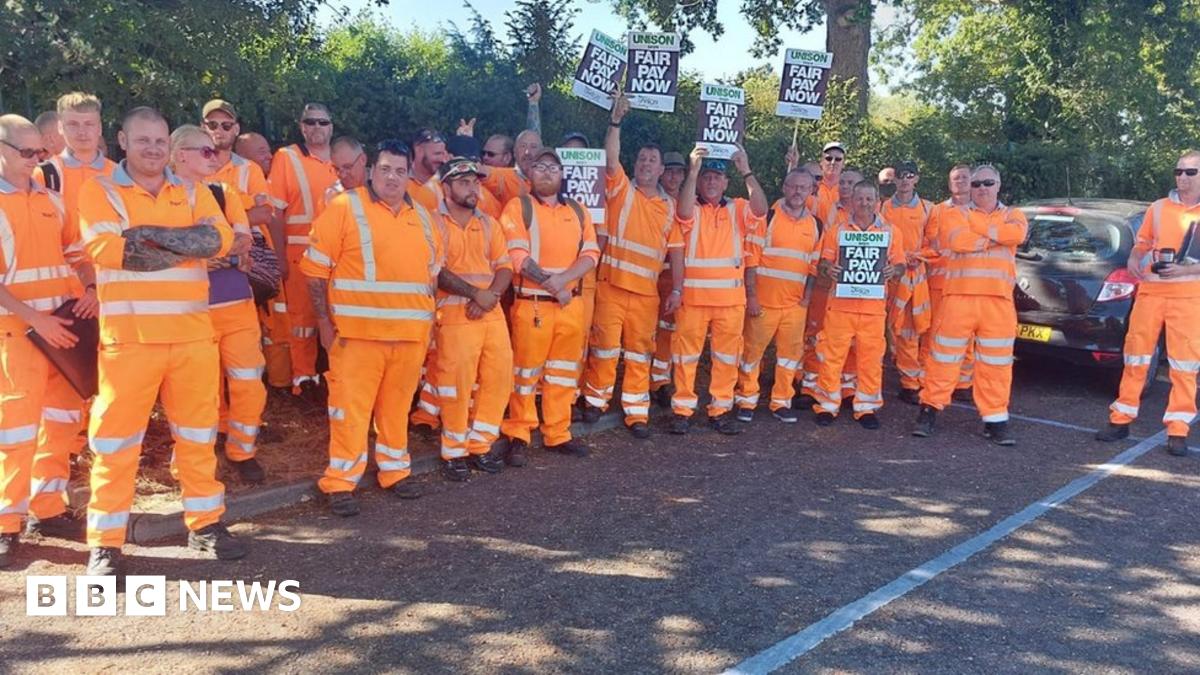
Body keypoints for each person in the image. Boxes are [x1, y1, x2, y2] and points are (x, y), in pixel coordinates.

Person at [80, 107, 250, 576]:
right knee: (115, 445)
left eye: (159, 140)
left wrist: (149, 240)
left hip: (193, 338)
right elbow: (111, 251)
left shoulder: (194, 188)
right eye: (143, 140)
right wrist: (183, 241)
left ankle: (206, 525)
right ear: (122, 140)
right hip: (130, 343)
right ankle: (106, 544)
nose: (153, 149)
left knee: (197, 437)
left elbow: (219, 241)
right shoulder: (100, 190)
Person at [302, 140, 444, 516]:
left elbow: (430, 278)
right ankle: (341, 482)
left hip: (408, 338)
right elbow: (315, 272)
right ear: (371, 171)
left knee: (396, 410)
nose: (392, 178)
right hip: (357, 336)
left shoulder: (425, 219)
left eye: (400, 171)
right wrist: (324, 326)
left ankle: (395, 471)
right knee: (349, 412)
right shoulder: (345, 207)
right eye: (385, 169)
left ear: (408, 175)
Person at [0, 115, 97, 565]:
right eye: (27, 153)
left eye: (40, 152)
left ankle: (48, 508)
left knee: (62, 422)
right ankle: (6, 523)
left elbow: (78, 254)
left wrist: (91, 290)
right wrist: (35, 319)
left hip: (61, 329)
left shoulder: (51, 200)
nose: (37, 161)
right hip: (18, 333)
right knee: (16, 431)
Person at [170, 125, 266, 484]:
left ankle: (243, 451)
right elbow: (162, 247)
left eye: (215, 151)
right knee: (196, 392)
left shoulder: (224, 191)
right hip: (190, 311)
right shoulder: (163, 195)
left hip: (236, 304)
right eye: (206, 152)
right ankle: (191, 460)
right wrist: (204, 253)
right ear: (180, 154)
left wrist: (201, 252)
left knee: (248, 383)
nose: (215, 157)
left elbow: (243, 241)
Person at [579, 92, 675, 438]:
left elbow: (675, 250)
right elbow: (610, 157)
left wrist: (676, 288)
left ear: (662, 169)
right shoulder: (621, 189)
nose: (647, 164)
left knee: (639, 353)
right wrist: (616, 121)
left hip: (646, 295)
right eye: (643, 159)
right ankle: (595, 401)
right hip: (612, 285)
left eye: (653, 160)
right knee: (604, 347)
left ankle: (637, 412)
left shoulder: (669, 208)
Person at [498, 147, 600, 463]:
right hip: (534, 307)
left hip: (570, 307)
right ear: (530, 174)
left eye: (553, 167)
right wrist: (551, 284)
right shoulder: (519, 207)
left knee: (563, 374)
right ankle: (519, 433)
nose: (546, 172)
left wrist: (563, 281)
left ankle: (558, 433)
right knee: (525, 374)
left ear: (562, 174)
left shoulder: (579, 211)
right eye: (540, 166)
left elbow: (591, 255)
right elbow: (516, 256)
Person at [913, 165, 1028, 445]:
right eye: (976, 184)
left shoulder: (1014, 215)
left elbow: (1016, 236)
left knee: (996, 365)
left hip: (998, 304)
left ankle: (995, 421)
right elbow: (958, 240)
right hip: (958, 299)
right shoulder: (954, 214)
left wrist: (981, 232)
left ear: (998, 185)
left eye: (988, 183)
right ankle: (929, 410)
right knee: (943, 358)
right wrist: (995, 236)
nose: (982, 189)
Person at [1096, 150, 1200, 456]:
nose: (1182, 177)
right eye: (1178, 171)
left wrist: (1186, 270)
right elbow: (1141, 245)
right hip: (1151, 293)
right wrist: (1133, 260)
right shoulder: (1157, 208)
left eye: (1190, 172)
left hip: (1189, 298)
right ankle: (1121, 418)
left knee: (1184, 365)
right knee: (1136, 357)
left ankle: (1178, 429)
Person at [665, 146, 768, 435]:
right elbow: (683, 212)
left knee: (726, 358)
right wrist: (694, 167)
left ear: (726, 182)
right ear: (699, 182)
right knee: (686, 358)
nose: (711, 182)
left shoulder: (737, 208)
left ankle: (720, 410)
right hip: (694, 300)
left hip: (730, 302)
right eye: (706, 177)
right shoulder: (691, 207)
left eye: (717, 177)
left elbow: (760, 208)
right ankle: (682, 411)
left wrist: (746, 169)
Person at [429, 157, 514, 480]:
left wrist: (489, 296)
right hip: (454, 313)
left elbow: (504, 266)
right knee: (456, 385)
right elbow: (436, 271)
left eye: (475, 182)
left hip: (490, 313)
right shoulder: (434, 223)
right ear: (446, 187)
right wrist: (475, 294)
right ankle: (454, 451)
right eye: (464, 182)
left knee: (498, 378)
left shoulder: (489, 223)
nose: (472, 188)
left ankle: (481, 445)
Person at [812, 181, 905, 428]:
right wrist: (828, 269)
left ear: (877, 202)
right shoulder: (837, 230)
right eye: (859, 198)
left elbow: (901, 265)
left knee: (871, 360)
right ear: (851, 201)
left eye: (869, 199)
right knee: (831, 357)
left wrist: (892, 270)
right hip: (840, 306)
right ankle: (826, 405)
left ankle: (866, 407)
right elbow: (823, 263)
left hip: (873, 309)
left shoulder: (891, 232)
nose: (864, 203)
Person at [735, 167, 821, 424]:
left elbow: (814, 265)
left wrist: (807, 296)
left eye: (803, 188)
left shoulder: (816, 224)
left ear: (811, 191)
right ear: (784, 188)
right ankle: (746, 400)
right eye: (793, 186)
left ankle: (781, 402)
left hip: (795, 305)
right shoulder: (769, 217)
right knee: (751, 354)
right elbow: (751, 258)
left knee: (789, 357)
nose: (797, 192)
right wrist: (751, 296)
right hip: (763, 302)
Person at [267, 103, 338, 399]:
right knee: (302, 321)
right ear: (302, 126)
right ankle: (304, 379)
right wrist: (280, 257)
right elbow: (275, 212)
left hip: (339, 255)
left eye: (323, 122)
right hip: (301, 252)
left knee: (336, 316)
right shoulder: (288, 158)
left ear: (331, 127)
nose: (317, 127)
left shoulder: (341, 160)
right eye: (311, 122)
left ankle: (335, 377)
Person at [799, 167, 864, 404]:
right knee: (816, 334)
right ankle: (810, 386)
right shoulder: (826, 209)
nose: (846, 187)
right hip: (825, 284)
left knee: (850, 340)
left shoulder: (874, 217)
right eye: (843, 182)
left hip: (855, 291)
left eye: (852, 183)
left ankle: (847, 387)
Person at [879, 160, 933, 403]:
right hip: (886, 276)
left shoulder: (928, 209)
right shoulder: (883, 208)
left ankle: (910, 383)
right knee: (878, 327)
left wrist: (917, 257)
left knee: (909, 330)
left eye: (909, 175)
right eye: (900, 175)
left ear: (916, 179)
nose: (904, 180)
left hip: (914, 277)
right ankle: (869, 379)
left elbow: (934, 243)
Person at [921, 164, 974, 398]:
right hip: (939, 283)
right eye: (955, 178)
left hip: (969, 285)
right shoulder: (938, 210)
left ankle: (963, 383)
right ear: (949, 183)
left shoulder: (980, 211)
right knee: (934, 335)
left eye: (964, 177)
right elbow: (929, 244)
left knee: (966, 336)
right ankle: (929, 379)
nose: (959, 182)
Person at [34, 92, 117, 225]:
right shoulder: (43, 175)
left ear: (100, 128)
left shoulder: (118, 174)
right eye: (73, 124)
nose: (82, 132)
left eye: (89, 124)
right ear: (60, 127)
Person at [649, 151, 687, 406]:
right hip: (649, 271)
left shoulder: (689, 203)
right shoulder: (653, 198)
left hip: (673, 275)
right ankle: (641, 380)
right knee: (643, 331)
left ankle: (660, 381)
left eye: (679, 172)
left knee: (668, 331)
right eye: (670, 171)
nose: (674, 176)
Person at [481, 129, 541, 206]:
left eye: (491, 154)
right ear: (515, 152)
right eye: (523, 146)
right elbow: (481, 171)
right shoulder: (504, 177)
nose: (527, 152)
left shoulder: (549, 179)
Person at [407, 128, 448, 211]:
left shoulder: (446, 183)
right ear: (419, 150)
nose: (442, 159)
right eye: (437, 154)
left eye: (443, 153)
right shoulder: (400, 181)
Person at [325, 135, 367, 204]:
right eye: (337, 169)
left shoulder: (383, 189)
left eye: (347, 167)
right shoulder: (331, 196)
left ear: (363, 160)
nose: (343, 175)